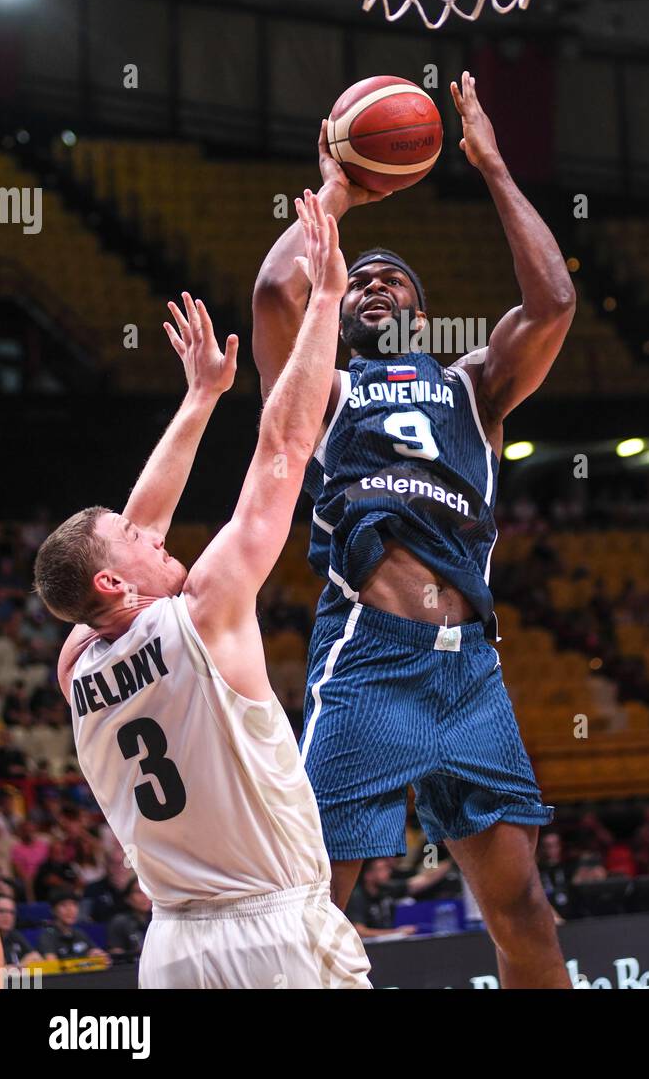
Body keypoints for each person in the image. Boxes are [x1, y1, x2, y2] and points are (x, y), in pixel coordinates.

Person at [253, 73, 576, 987]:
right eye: (360, 280)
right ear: (343, 314)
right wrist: (339, 192)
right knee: (312, 911)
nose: (378, 284)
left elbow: (552, 304)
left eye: (396, 280)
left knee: (526, 915)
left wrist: (495, 168)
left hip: (471, 670)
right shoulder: (322, 391)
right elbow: (278, 288)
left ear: (426, 317)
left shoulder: (473, 385)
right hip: (368, 664)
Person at [36, 202, 370, 990]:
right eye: (137, 539)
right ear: (114, 582)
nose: (156, 531)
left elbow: (125, 537)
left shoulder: (77, 661)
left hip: (177, 950)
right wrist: (323, 300)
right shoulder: (206, 612)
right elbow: (286, 449)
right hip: (276, 930)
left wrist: (199, 400)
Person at [37, 892, 108, 964]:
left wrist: (99, 956)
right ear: (53, 910)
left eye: (74, 904)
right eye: (63, 905)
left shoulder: (79, 933)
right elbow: (52, 966)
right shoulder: (47, 936)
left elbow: (98, 955)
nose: (70, 909)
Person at [107, 877, 152, 960]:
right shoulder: (119, 922)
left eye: (147, 890)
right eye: (139, 892)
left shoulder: (159, 921)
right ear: (128, 898)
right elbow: (116, 955)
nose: (145, 896)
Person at [0, 894, 42, 967]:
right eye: (1, 911)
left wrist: (18, 966)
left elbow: (36, 957)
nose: (7, 916)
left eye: (11, 912)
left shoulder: (14, 935)